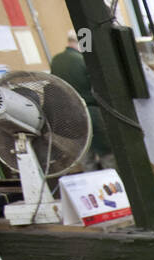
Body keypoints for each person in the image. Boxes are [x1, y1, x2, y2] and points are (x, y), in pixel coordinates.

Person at [50, 30, 110, 168]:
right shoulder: (83, 61)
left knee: (86, 158)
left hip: (70, 118)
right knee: (107, 155)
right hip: (91, 114)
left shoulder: (57, 61)